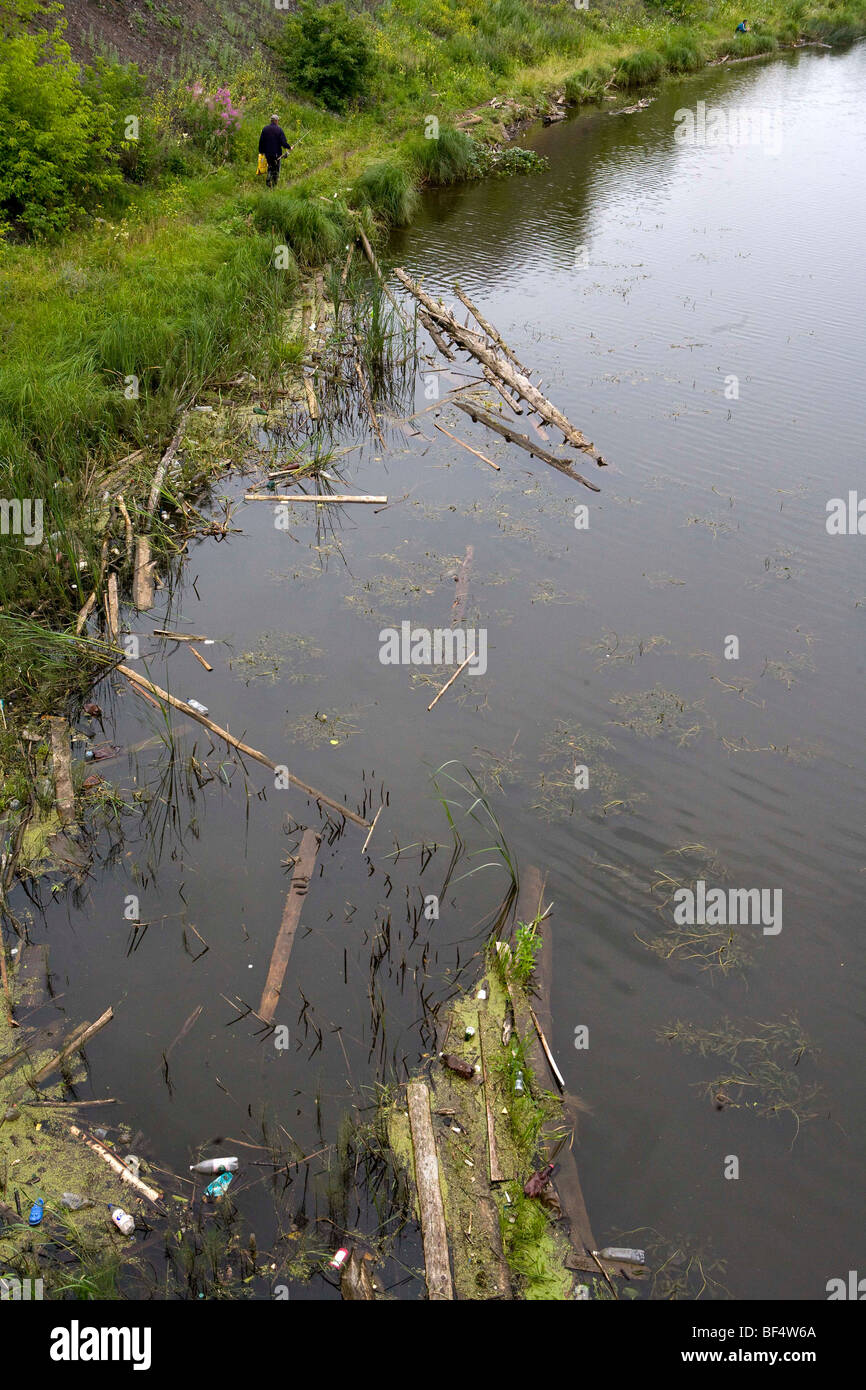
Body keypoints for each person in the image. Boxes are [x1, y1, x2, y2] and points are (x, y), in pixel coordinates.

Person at [258, 114, 291, 188]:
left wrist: (261, 151)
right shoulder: (279, 130)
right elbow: (283, 142)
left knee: (270, 165)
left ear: (271, 121)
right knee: (276, 169)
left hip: (267, 153)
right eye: (278, 120)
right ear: (276, 121)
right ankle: (274, 184)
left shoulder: (265, 129)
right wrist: (289, 147)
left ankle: (268, 179)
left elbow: (261, 142)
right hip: (276, 154)